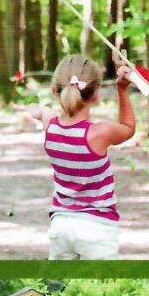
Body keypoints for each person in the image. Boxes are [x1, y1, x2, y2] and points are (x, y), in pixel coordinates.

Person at [25, 52, 135, 261]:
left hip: (60, 226)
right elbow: (128, 128)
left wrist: (35, 110)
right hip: (97, 228)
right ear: (96, 95)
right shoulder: (99, 133)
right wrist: (122, 89)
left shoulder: (50, 126)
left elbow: (43, 112)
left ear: (54, 91)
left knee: (60, 281)